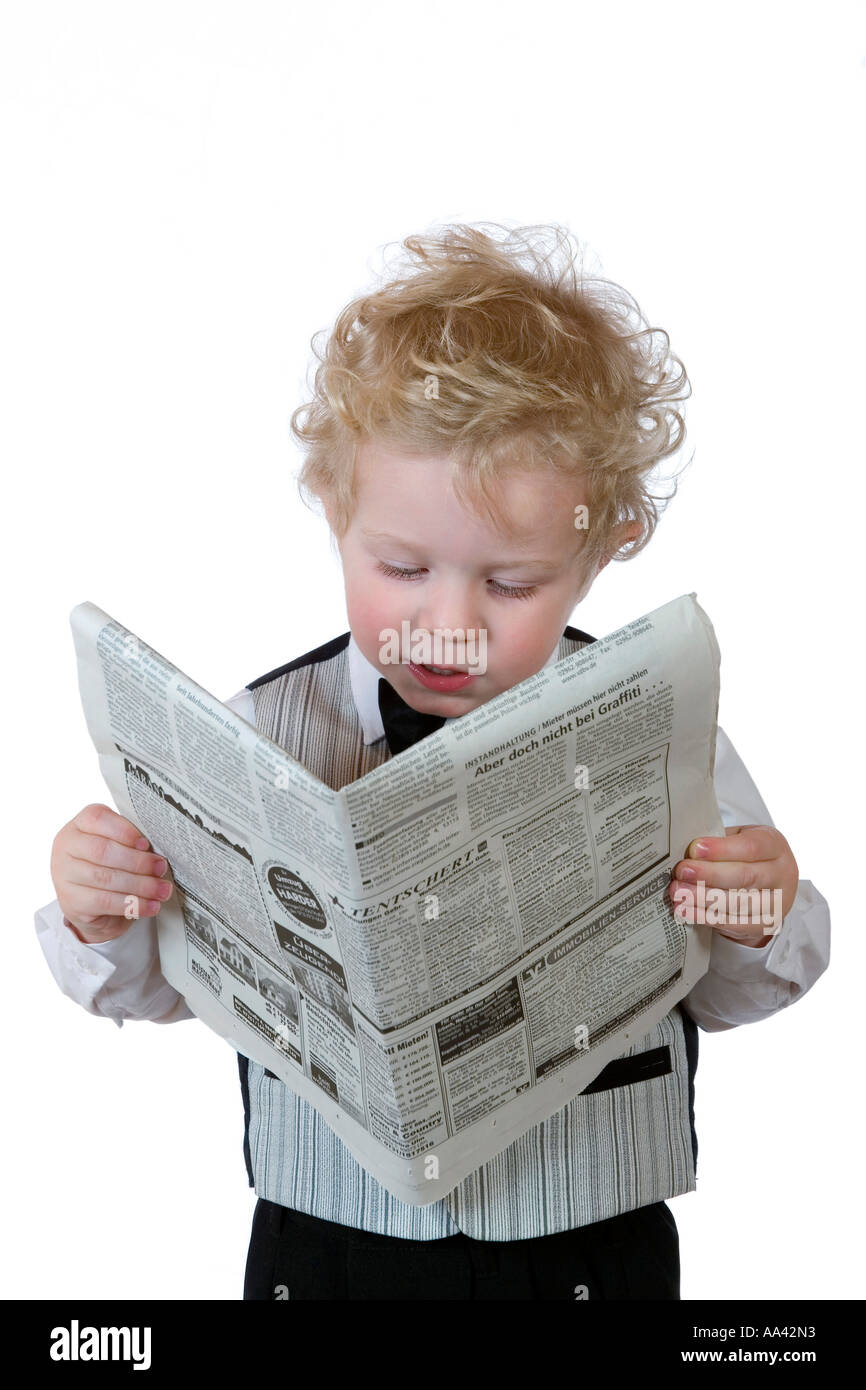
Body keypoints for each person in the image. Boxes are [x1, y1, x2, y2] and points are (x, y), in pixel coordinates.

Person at [35, 223, 830, 1300]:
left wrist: (758, 904)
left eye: (509, 585)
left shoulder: (660, 726)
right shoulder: (262, 726)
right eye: (401, 567)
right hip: (326, 1246)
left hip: (585, 1245)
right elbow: (157, 989)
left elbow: (742, 989)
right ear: (335, 511)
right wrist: (100, 908)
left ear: (606, 547)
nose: (444, 623)